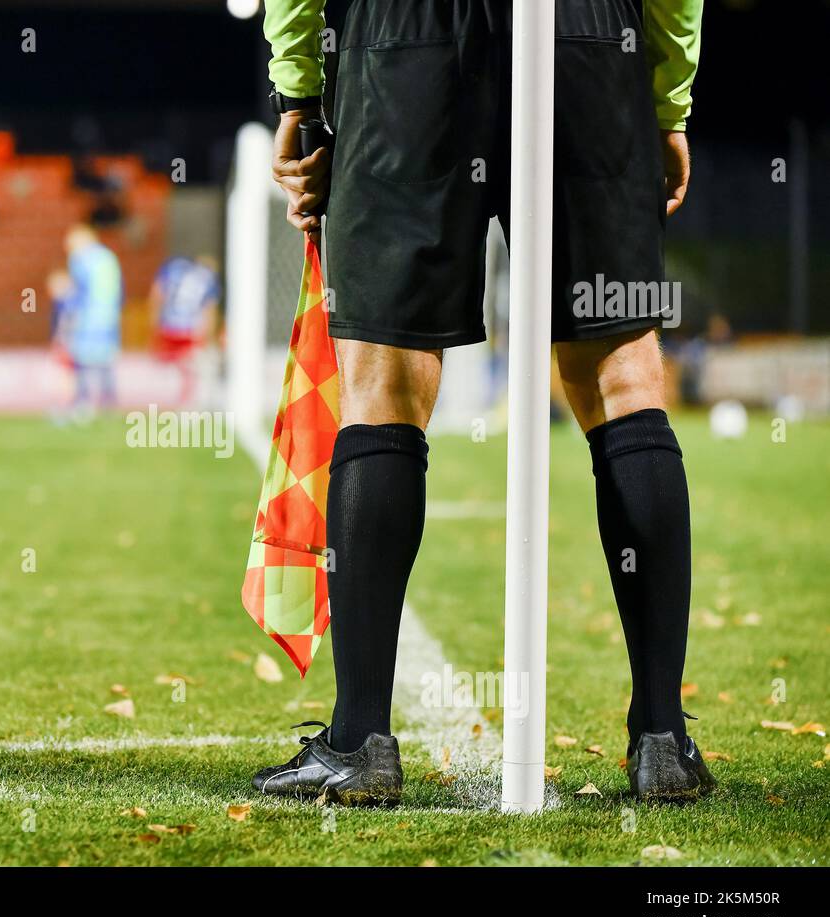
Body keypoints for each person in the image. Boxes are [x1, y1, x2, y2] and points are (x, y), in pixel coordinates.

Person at [254, 0, 711, 804]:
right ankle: (662, 739)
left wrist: (300, 96)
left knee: (384, 385)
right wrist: (665, 99)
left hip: (404, 42)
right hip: (587, 36)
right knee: (624, 379)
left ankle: (360, 741)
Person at [62, 224, 122, 415]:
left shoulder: (81, 259)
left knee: (81, 358)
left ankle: (82, 400)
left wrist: (69, 311)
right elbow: (120, 289)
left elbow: (79, 290)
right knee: (105, 359)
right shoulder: (108, 257)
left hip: (88, 316)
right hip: (108, 316)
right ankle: (108, 401)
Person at [150, 255, 220, 407]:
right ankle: (188, 403)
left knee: (171, 367)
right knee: (191, 369)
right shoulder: (208, 278)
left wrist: (155, 320)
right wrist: (208, 337)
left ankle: (168, 403)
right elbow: (209, 310)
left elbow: (157, 293)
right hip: (191, 330)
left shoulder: (174, 268)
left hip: (169, 325)